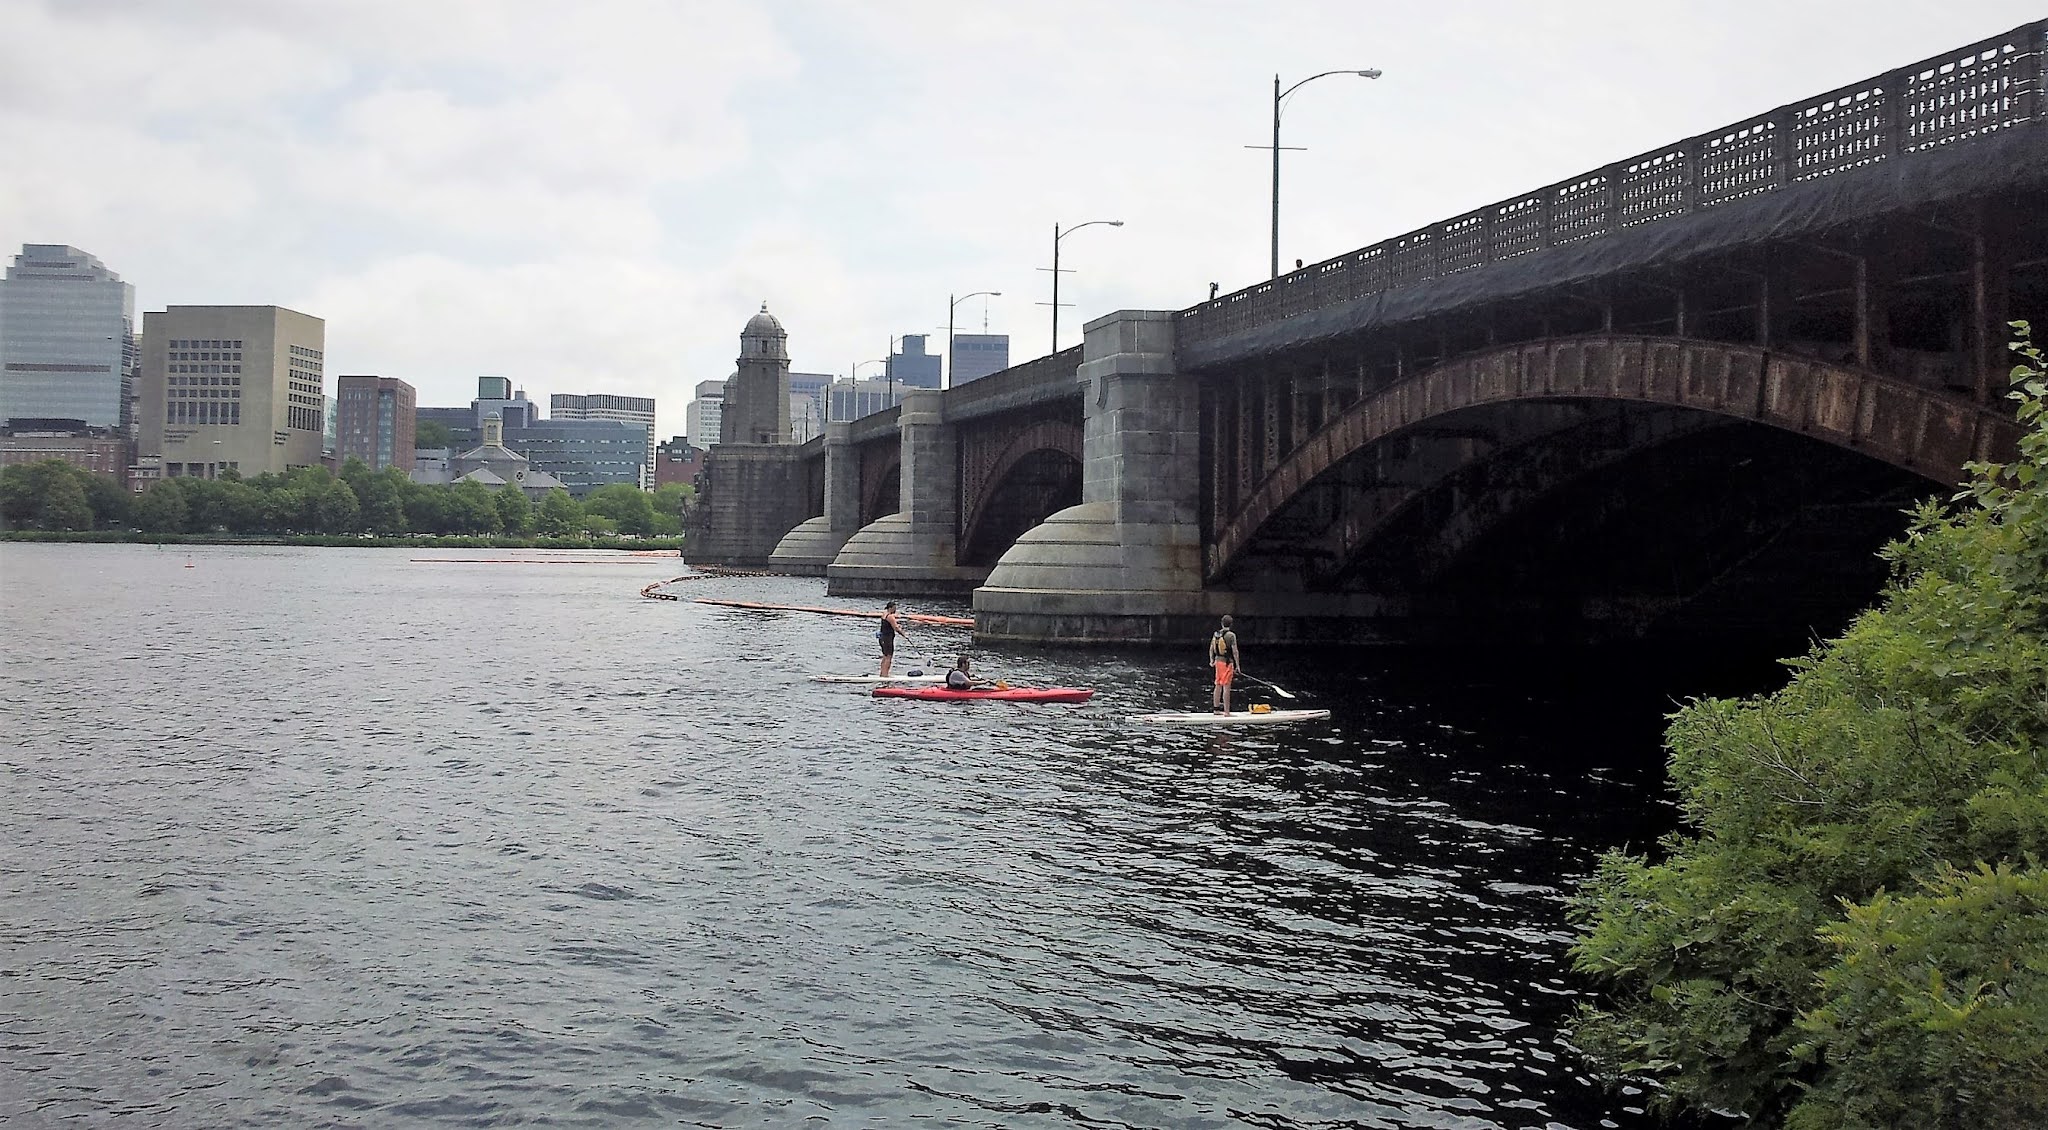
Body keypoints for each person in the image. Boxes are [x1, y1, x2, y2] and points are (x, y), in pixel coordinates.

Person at [1208, 614, 1241, 715]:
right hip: (1227, 663)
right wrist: (1237, 666)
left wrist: (1211, 660)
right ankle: (1227, 712)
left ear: (1221, 623)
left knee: (1218, 685)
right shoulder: (1231, 635)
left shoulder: (1216, 634)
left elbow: (1211, 649)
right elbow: (1235, 651)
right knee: (1226, 687)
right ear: (1231, 624)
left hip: (1218, 662)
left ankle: (1216, 709)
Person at [877, 601, 907, 676]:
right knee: (889, 657)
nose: (895, 610)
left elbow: (890, 625)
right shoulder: (890, 617)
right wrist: (904, 635)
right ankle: (885, 675)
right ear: (890, 608)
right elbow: (896, 628)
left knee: (885, 656)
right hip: (888, 639)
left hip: (882, 638)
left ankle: (882, 673)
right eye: (894, 608)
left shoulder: (884, 614)